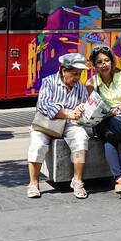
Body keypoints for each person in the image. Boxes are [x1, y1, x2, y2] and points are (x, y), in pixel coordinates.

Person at [26, 52, 91, 199]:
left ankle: (77, 180)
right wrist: (67, 113)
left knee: (81, 139)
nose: (77, 78)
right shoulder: (49, 82)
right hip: (47, 124)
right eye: (74, 73)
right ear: (63, 70)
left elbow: (84, 110)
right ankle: (33, 183)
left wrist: (82, 110)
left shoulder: (80, 88)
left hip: (70, 125)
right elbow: (43, 105)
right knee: (37, 144)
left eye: (79, 74)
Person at [87, 45, 121, 198]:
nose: (104, 64)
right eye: (99, 62)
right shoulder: (91, 83)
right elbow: (93, 106)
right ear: (95, 66)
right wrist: (106, 114)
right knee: (109, 139)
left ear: (112, 62)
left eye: (106, 60)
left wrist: (115, 111)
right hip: (103, 119)